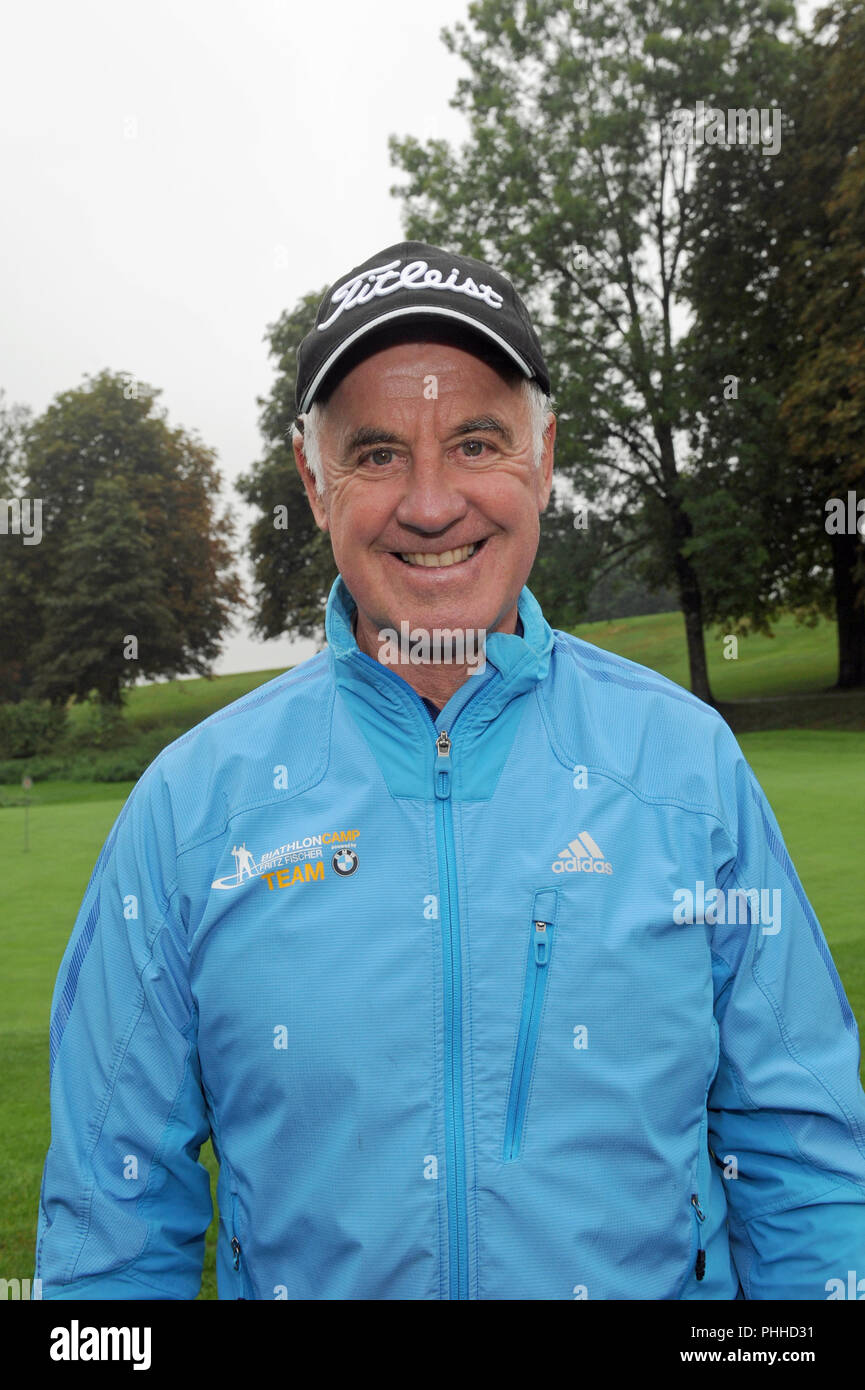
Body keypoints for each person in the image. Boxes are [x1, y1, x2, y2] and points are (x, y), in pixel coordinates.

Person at [35, 241, 865, 1300]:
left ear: (544, 455)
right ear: (313, 480)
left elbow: (803, 1171)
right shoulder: (189, 810)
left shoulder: (687, 767)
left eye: (476, 442)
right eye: (376, 454)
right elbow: (110, 1232)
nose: (431, 504)